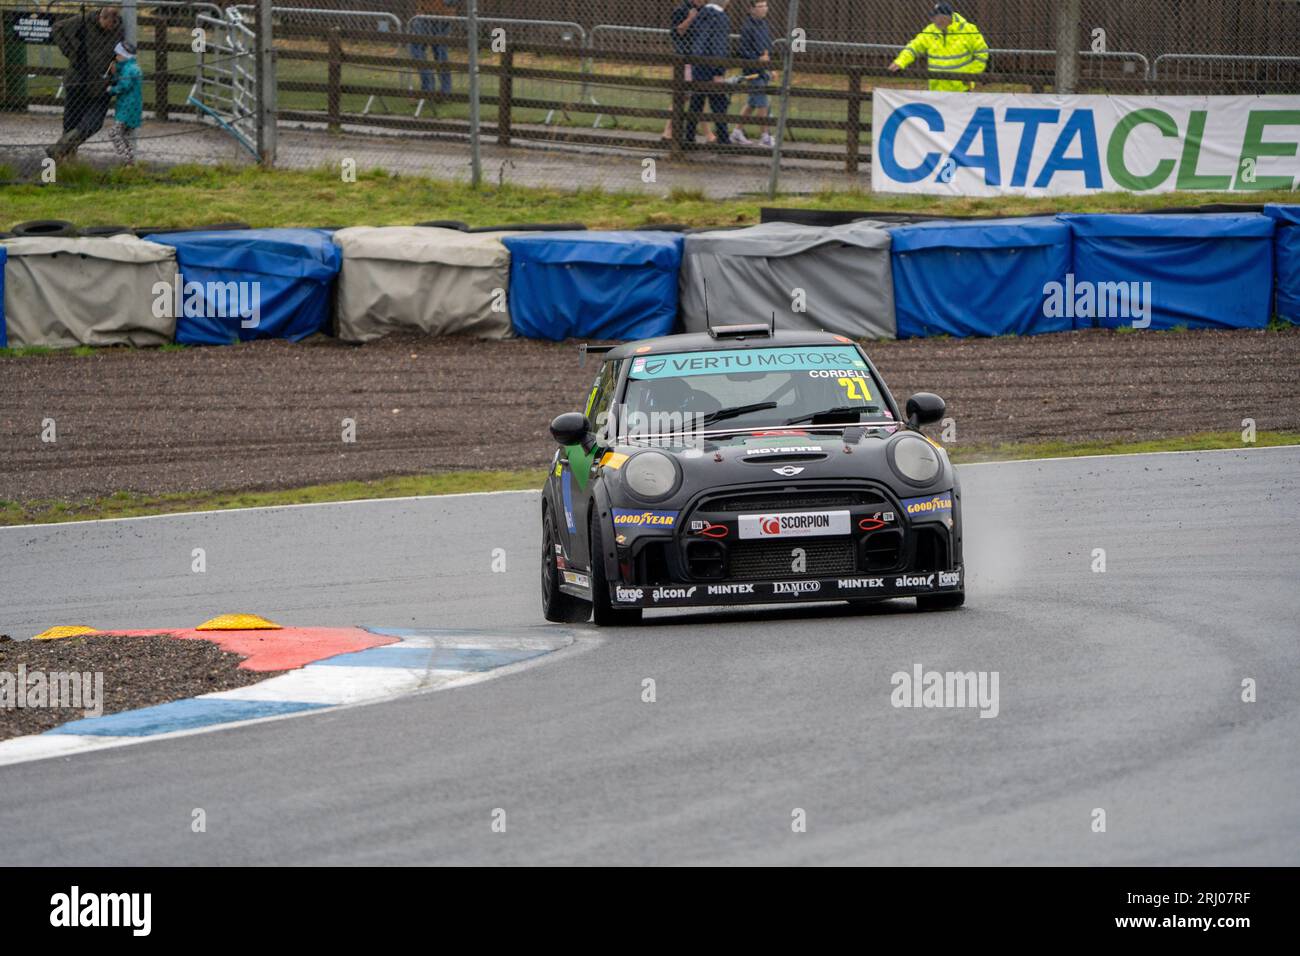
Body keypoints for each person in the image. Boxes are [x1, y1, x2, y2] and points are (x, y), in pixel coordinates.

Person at [48, 4, 123, 161]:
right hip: (78, 79)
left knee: (94, 122)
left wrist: (116, 62)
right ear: (102, 17)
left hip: (102, 84)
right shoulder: (83, 21)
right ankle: (66, 158)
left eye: (115, 24)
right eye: (110, 24)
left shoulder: (119, 26)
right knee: (71, 122)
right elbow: (57, 28)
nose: (112, 28)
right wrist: (71, 52)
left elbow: (121, 48)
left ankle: (59, 149)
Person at [888, 2, 988, 92]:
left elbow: (982, 53)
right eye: (933, 17)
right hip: (936, 90)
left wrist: (971, 75)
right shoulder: (931, 30)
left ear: (946, 17)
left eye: (937, 17)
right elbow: (914, 47)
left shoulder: (968, 30)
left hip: (961, 89)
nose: (934, 20)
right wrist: (900, 61)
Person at [682, 0, 732, 148]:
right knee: (719, 104)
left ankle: (689, 137)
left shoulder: (701, 14)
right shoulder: (721, 18)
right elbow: (719, 45)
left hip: (698, 65)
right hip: (711, 67)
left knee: (696, 103)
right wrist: (719, 71)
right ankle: (724, 141)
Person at [731, 0, 773, 146]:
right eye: (760, 6)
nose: (764, 9)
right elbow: (743, 52)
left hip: (763, 70)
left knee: (752, 103)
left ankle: (736, 132)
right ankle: (765, 136)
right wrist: (757, 59)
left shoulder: (764, 25)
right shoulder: (747, 27)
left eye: (765, 6)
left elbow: (767, 49)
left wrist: (770, 67)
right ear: (751, 9)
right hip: (752, 71)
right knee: (762, 103)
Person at [663, 0, 704, 141]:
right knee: (682, 97)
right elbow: (677, 32)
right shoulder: (681, 10)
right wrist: (690, 18)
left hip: (696, 59)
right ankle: (667, 131)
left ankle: (670, 131)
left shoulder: (703, 10)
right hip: (684, 60)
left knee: (695, 96)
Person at [408, 0, 460, 97]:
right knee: (419, 48)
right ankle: (432, 87)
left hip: (440, 18)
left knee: (439, 53)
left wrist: (448, 6)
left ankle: (440, 89)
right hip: (427, 16)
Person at [107, 41, 142, 165]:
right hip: (130, 106)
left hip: (128, 107)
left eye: (118, 55)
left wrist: (111, 90)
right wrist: (115, 73)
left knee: (114, 133)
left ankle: (127, 159)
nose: (116, 58)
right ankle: (129, 161)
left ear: (123, 55)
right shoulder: (129, 68)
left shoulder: (130, 69)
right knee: (124, 135)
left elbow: (124, 85)